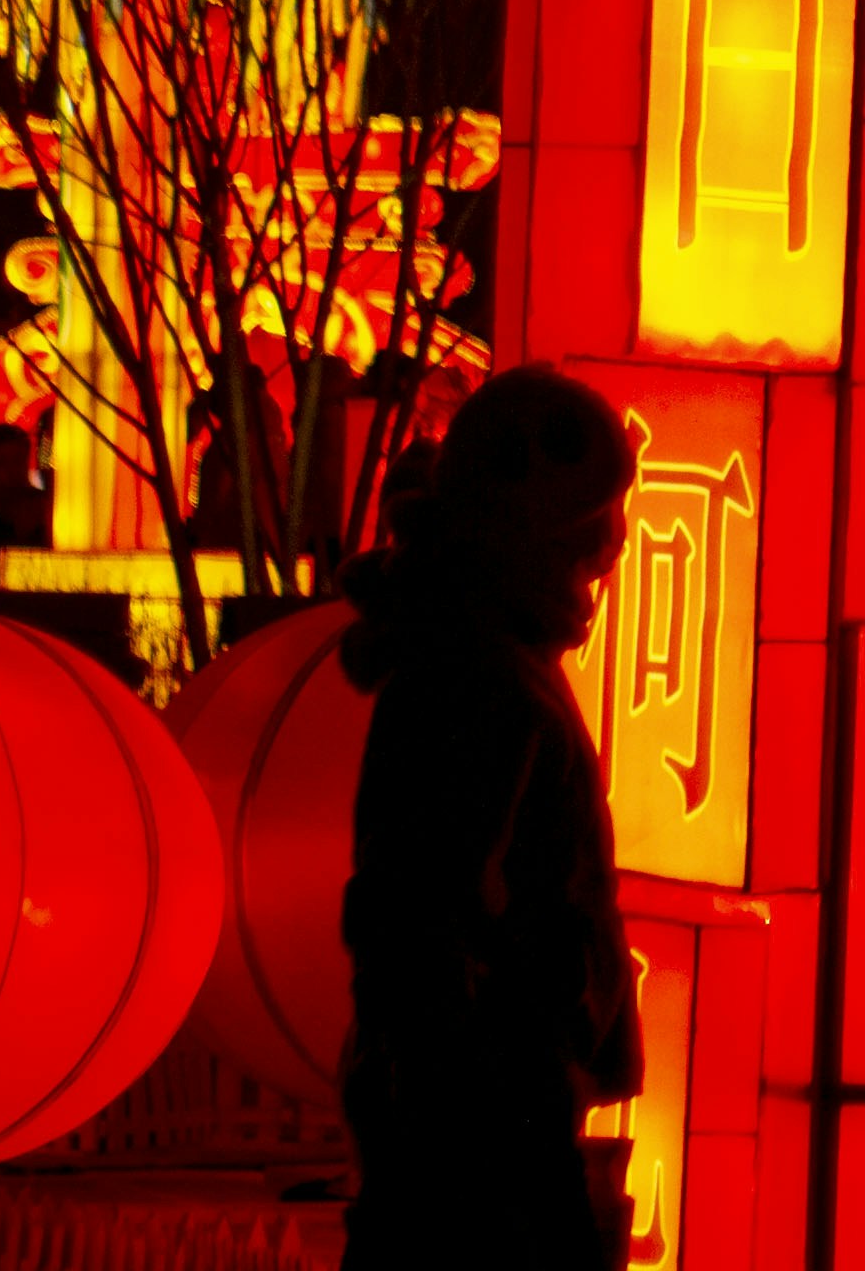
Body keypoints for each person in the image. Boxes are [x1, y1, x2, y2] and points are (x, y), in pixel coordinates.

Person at [337, 363, 641, 1270]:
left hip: (487, 1115)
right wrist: (489, 1098)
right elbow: (423, 918)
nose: (609, 557)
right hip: (486, 1135)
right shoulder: (483, 680)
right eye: (596, 535)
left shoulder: (483, 663)